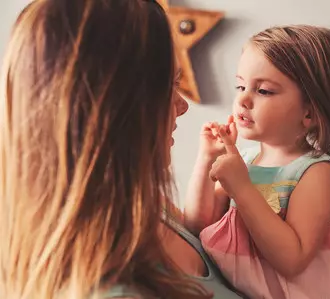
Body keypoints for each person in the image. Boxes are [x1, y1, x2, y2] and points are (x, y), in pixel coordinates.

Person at [0, 0, 242, 298]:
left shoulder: (148, 206)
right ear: (113, 109)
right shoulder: (112, 290)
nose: (182, 106)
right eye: (169, 84)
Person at [184, 25, 330, 299]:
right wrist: (206, 159)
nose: (242, 99)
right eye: (240, 86)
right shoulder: (246, 161)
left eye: (263, 91)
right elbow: (197, 224)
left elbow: (292, 261)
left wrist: (242, 188)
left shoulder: (314, 173)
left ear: (309, 113)